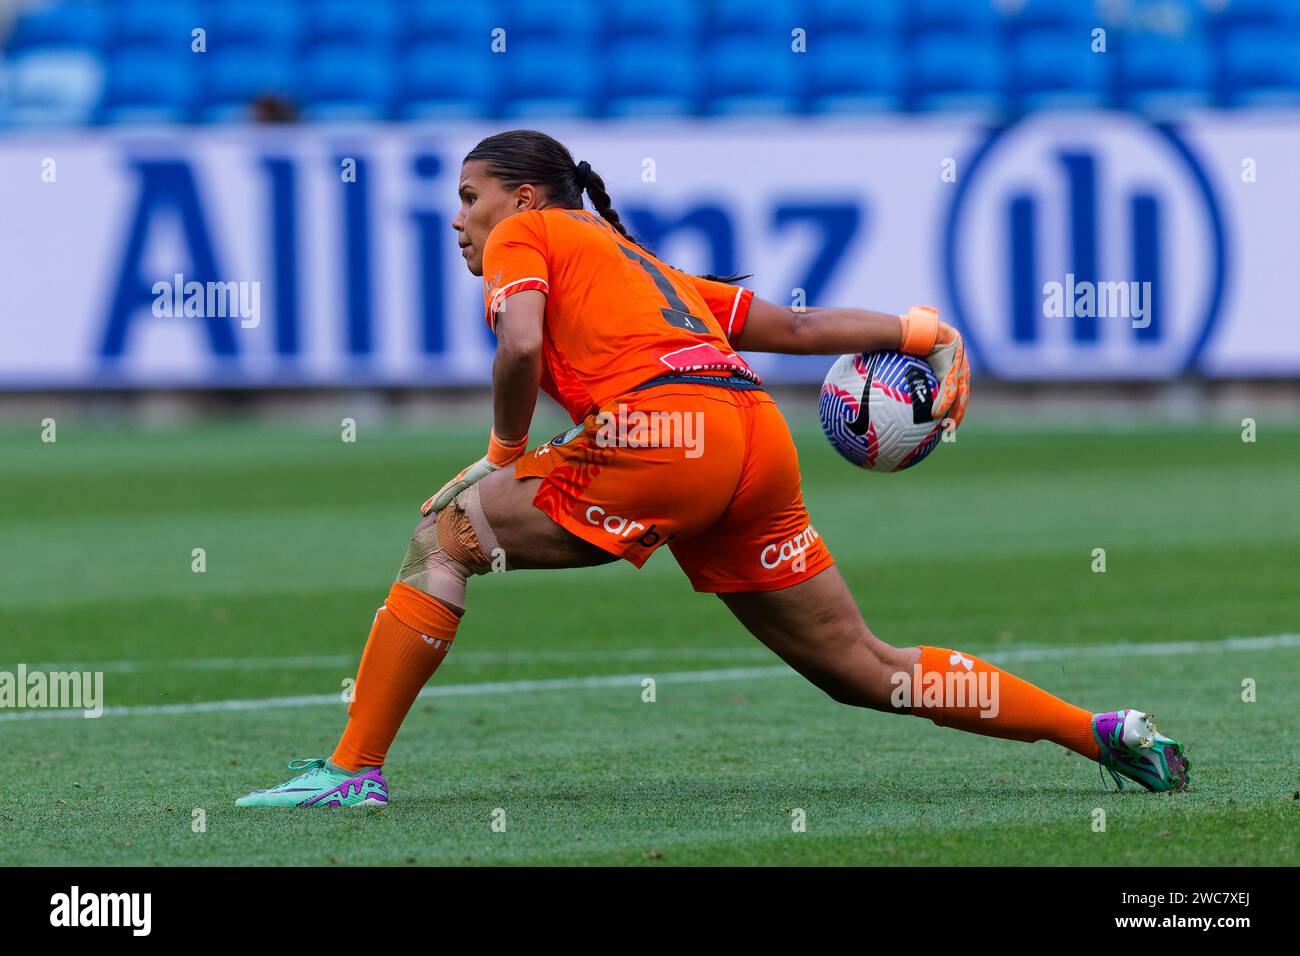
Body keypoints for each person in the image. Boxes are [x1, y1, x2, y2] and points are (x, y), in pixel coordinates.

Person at [237, 130, 1188, 808]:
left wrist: (500, 455)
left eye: (469, 198)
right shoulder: (645, 266)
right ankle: (1097, 731)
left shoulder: (533, 238)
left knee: (441, 536)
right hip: (754, 441)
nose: (460, 220)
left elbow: (520, 347)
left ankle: (353, 770)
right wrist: (926, 332)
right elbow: (800, 331)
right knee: (863, 668)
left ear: (524, 199)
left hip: (664, 438)